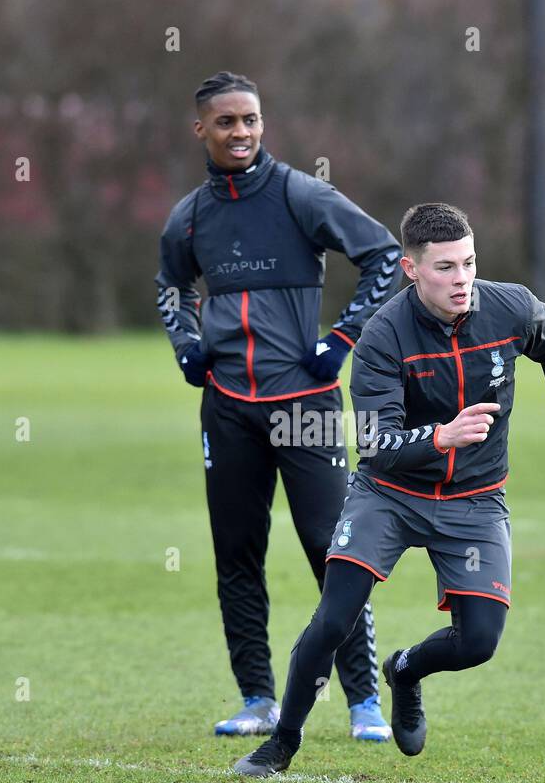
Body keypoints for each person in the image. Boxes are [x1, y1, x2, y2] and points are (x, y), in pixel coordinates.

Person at [234, 202, 545, 776]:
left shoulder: (510, 307)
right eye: (445, 268)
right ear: (411, 269)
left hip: (475, 500)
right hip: (390, 495)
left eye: (469, 263)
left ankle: (405, 670)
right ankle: (282, 742)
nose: (462, 280)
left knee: (479, 641)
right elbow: (375, 443)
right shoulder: (382, 337)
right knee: (334, 619)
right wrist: (443, 436)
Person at [156, 72, 402, 740]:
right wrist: (187, 345)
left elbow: (383, 255)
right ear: (200, 129)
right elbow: (170, 286)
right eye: (227, 122)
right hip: (229, 408)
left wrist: (343, 339)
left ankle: (364, 704)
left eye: (251, 120)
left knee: (334, 551)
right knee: (237, 552)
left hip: (308, 405)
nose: (242, 132)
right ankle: (257, 698)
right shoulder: (191, 215)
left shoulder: (300, 194)